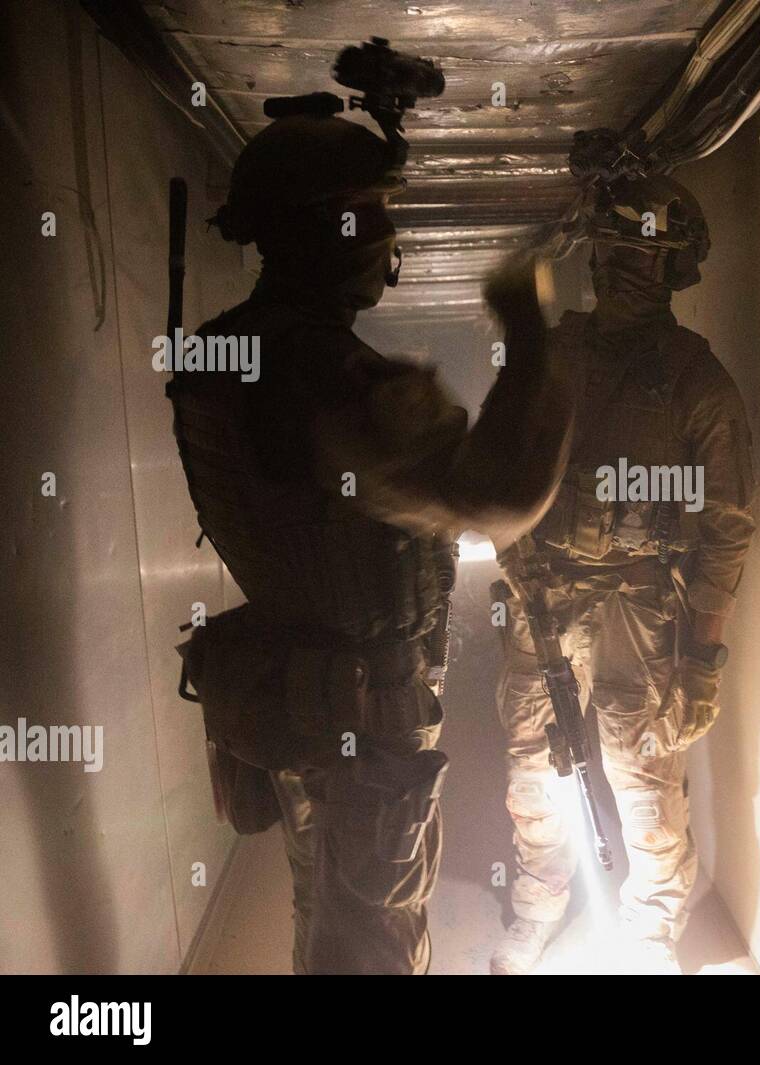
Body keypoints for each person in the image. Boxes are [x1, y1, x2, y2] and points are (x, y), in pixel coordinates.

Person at [168, 112, 572, 974]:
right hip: (362, 710)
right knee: (373, 941)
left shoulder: (223, 350)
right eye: (371, 214)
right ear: (327, 230)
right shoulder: (323, 374)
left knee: (327, 905)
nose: (385, 238)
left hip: (294, 686)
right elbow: (500, 493)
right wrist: (532, 336)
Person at [490, 174, 756, 975]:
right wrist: (511, 554)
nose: (618, 268)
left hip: (641, 608)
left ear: (672, 266)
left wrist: (703, 656)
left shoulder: (693, 380)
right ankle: (537, 903)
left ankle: (650, 931)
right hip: (542, 597)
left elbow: (728, 528)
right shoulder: (555, 356)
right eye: (610, 250)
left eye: (639, 252)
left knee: (644, 780)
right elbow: (500, 462)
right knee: (533, 769)